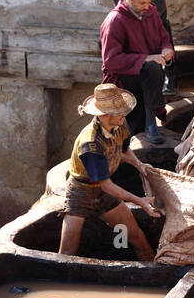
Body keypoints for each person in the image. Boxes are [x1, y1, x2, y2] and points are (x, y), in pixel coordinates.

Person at [58, 84, 162, 260]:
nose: (124, 114)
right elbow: (107, 185)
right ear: (105, 115)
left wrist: (139, 164)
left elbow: (123, 149)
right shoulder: (90, 144)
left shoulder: (120, 124)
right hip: (81, 193)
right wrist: (139, 201)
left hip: (102, 192)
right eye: (119, 112)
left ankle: (154, 275)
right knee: (67, 253)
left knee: (138, 238)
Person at [101, 0, 175, 143]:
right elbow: (111, 61)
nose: (147, 7)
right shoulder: (115, 20)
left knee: (153, 67)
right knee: (152, 67)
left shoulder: (152, 11)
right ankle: (150, 124)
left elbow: (164, 38)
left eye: (149, 2)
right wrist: (146, 58)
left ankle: (149, 122)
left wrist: (166, 50)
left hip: (147, 75)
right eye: (142, 3)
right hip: (124, 77)